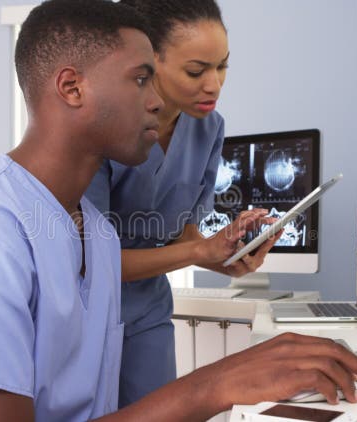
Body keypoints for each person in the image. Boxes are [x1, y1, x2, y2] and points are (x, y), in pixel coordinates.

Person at [0, 0, 357, 421]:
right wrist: (215, 385)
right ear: (72, 88)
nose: (159, 103)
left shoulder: (92, 230)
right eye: (142, 79)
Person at [85, 0, 277, 407]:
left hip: (149, 308)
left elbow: (184, 230)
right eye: (196, 71)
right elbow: (90, 260)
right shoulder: (107, 127)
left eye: (222, 66)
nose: (214, 85)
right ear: (149, 60)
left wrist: (223, 254)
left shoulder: (209, 127)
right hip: (88, 310)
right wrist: (195, 251)